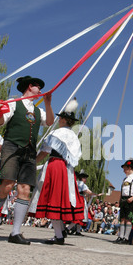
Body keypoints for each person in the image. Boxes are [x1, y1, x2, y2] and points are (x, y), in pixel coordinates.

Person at [0, 75, 54, 243]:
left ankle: (15, 232)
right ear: (30, 87)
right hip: (12, 147)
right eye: (39, 87)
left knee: (24, 189)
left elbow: (50, 122)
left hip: (29, 151)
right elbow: (1, 122)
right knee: (7, 185)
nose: (41, 90)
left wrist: (47, 102)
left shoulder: (39, 110)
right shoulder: (14, 103)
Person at [29, 100, 84, 245]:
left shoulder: (56, 133)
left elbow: (44, 152)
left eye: (60, 118)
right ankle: (59, 234)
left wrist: (33, 162)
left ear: (64, 120)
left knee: (52, 199)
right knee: (59, 201)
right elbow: (76, 157)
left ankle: (59, 235)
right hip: (66, 170)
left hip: (54, 166)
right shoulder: (74, 137)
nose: (58, 120)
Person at [114, 159, 133, 244]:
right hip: (123, 199)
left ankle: (126, 238)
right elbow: (122, 191)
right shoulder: (125, 179)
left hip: (130, 199)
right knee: (122, 219)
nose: (123, 170)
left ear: (129, 168)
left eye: (125, 168)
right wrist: (120, 201)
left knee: (129, 219)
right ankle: (120, 236)